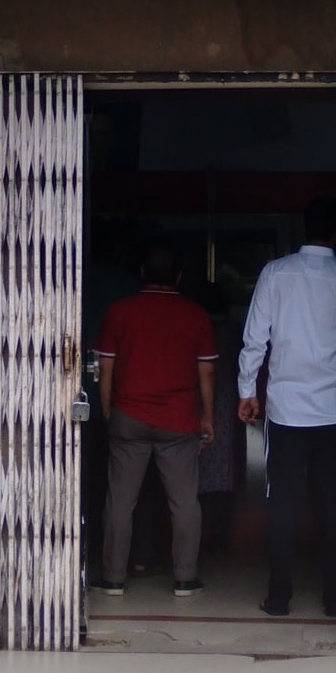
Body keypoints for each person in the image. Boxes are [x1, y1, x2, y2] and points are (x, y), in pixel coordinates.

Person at [238, 196, 336, 618]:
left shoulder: (275, 273)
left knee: (283, 502)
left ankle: (279, 598)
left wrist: (247, 391)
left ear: (302, 230)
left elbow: (255, 340)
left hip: (287, 411)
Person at [94, 242, 217, 596]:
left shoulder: (120, 311)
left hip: (128, 416)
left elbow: (105, 368)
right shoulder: (195, 315)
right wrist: (207, 418)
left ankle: (113, 578)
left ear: (141, 273)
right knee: (184, 502)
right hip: (178, 421)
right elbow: (207, 372)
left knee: (120, 501)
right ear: (179, 277)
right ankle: (185, 578)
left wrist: (109, 411)